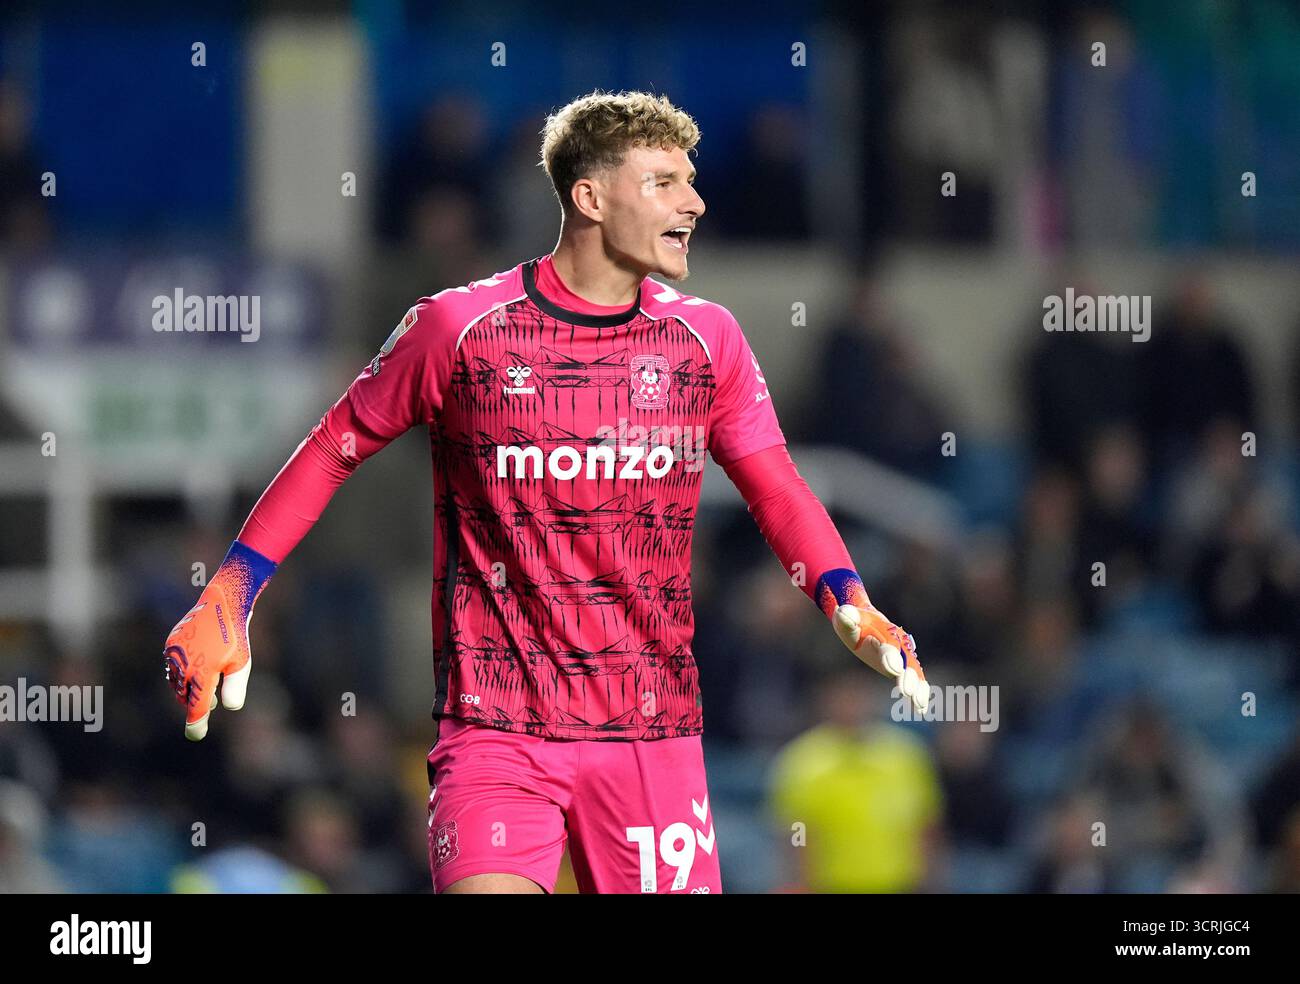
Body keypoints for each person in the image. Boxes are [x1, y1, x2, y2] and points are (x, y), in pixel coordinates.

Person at [160, 90, 929, 894]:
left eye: (691, 181)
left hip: (650, 734)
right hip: (495, 731)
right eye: (664, 182)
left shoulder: (709, 340)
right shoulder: (458, 329)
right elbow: (330, 449)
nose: (695, 202)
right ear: (590, 198)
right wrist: (231, 590)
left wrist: (846, 593)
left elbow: (778, 489)